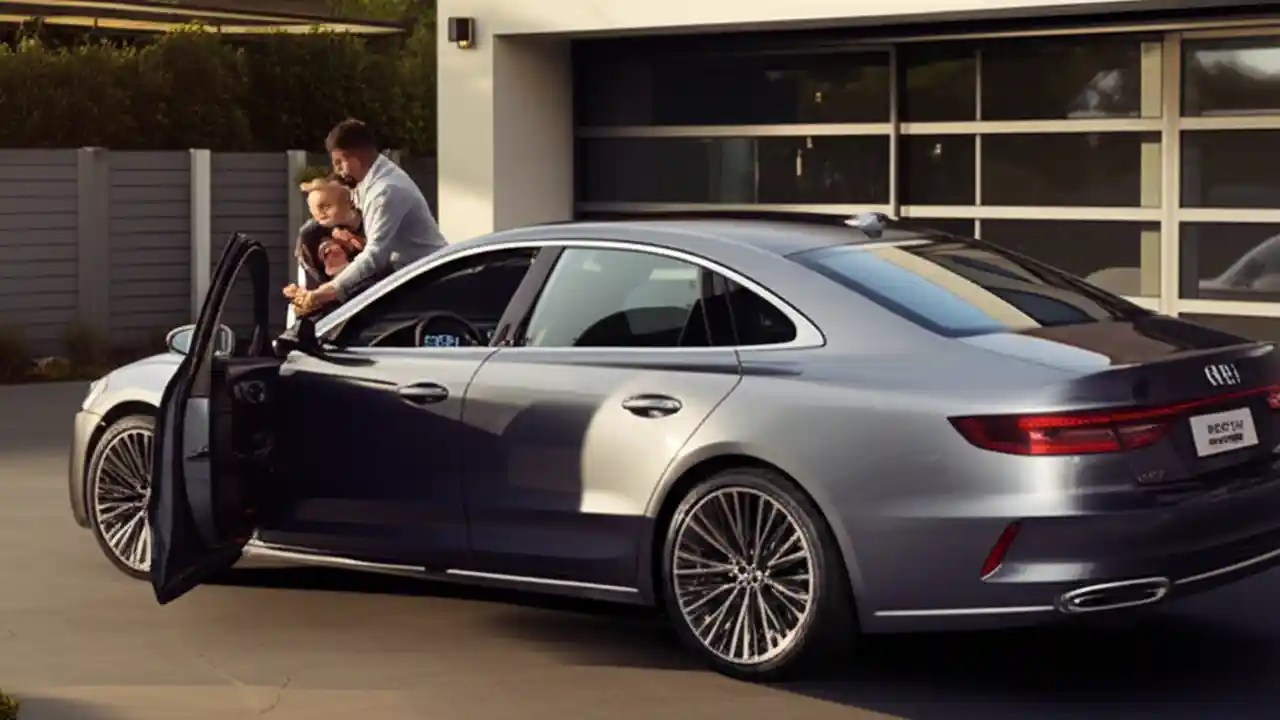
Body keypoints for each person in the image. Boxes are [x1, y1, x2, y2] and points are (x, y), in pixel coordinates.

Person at [288, 119, 446, 316]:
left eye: (339, 162)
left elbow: (375, 256)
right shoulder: (373, 181)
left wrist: (325, 293)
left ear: (356, 157)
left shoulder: (384, 191)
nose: (338, 170)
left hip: (428, 283)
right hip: (412, 281)